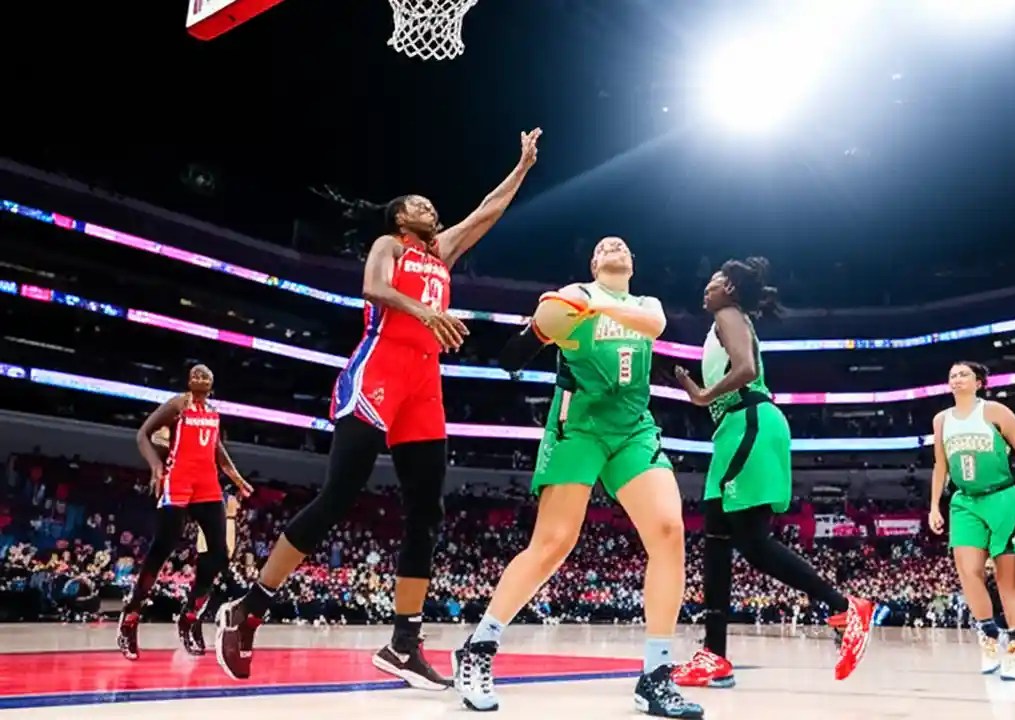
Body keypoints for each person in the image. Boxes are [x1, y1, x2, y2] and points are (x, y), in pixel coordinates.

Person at [215, 129, 542, 686]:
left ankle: (403, 643)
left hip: (423, 384)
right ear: (398, 219)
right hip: (380, 369)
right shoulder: (389, 248)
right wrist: (426, 312)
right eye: (417, 204)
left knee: (427, 513)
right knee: (338, 495)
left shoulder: (443, 251)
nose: (429, 207)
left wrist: (523, 166)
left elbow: (487, 212)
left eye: (430, 204)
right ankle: (250, 607)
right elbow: (373, 289)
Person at [451, 237, 703, 719]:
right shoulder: (572, 295)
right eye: (605, 245)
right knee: (554, 543)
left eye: (623, 245)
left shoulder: (641, 304)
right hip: (578, 427)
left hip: (633, 428)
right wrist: (549, 321)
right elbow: (517, 351)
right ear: (593, 263)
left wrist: (587, 305)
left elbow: (656, 325)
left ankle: (655, 677)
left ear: (632, 263)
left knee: (669, 533)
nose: (615, 246)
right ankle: (479, 647)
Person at [669, 257, 874, 689]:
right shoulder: (722, 321)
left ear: (730, 288)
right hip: (735, 428)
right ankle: (715, 655)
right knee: (718, 544)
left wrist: (704, 394)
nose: (706, 289)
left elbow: (746, 370)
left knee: (750, 542)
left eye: (714, 282)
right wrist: (698, 392)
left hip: (750, 423)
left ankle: (845, 608)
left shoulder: (728, 315)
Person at [118, 364, 252, 660]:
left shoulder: (213, 412)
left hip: (207, 483)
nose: (202, 376)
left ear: (213, 382)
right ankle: (130, 617)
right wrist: (155, 466)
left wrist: (237, 478)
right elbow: (143, 434)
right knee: (162, 549)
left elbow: (216, 448)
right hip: (178, 479)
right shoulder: (178, 404)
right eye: (196, 373)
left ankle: (190, 616)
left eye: (206, 374)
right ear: (189, 380)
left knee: (219, 554)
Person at [928, 361, 1015, 681]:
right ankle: (989, 637)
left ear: (979, 382)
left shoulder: (996, 412)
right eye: (952, 375)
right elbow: (941, 465)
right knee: (968, 572)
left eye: (963, 374)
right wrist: (934, 505)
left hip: (1003, 497)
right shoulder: (941, 420)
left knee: (1008, 580)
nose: (957, 379)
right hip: (964, 501)